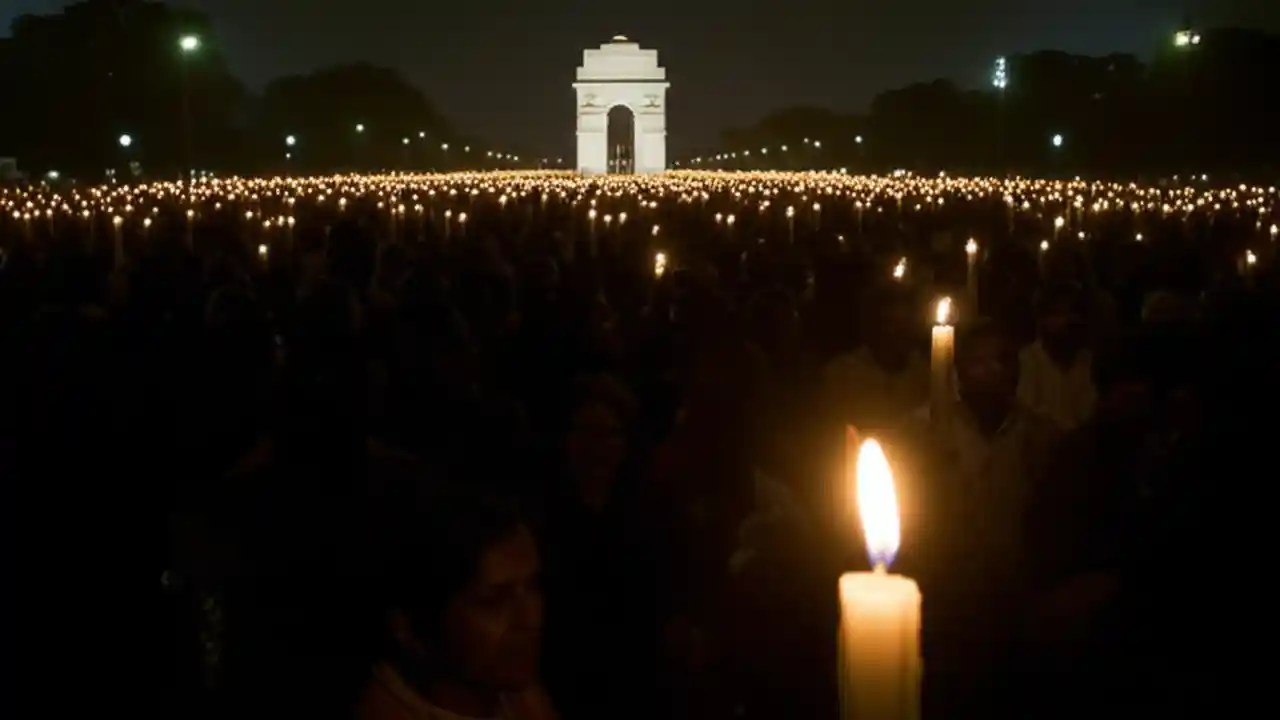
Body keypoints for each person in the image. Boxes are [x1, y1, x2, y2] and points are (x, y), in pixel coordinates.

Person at [888, 319, 1061, 719]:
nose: (992, 372)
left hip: (1013, 598)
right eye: (979, 362)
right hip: (943, 593)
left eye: (1003, 361)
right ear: (957, 370)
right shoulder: (920, 431)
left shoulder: (1041, 436)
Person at [361, 490, 555, 720]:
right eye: (492, 602)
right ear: (407, 627)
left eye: (533, 586)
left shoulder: (509, 689)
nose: (532, 619)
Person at [822, 283, 927, 432]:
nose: (894, 333)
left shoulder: (928, 374)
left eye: (902, 325)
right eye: (888, 323)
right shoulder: (842, 373)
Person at [1017, 282, 1097, 430]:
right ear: (1042, 319)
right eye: (1058, 314)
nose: (1067, 321)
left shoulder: (1085, 359)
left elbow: (1088, 413)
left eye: (1072, 313)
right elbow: (1026, 414)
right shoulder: (1028, 360)